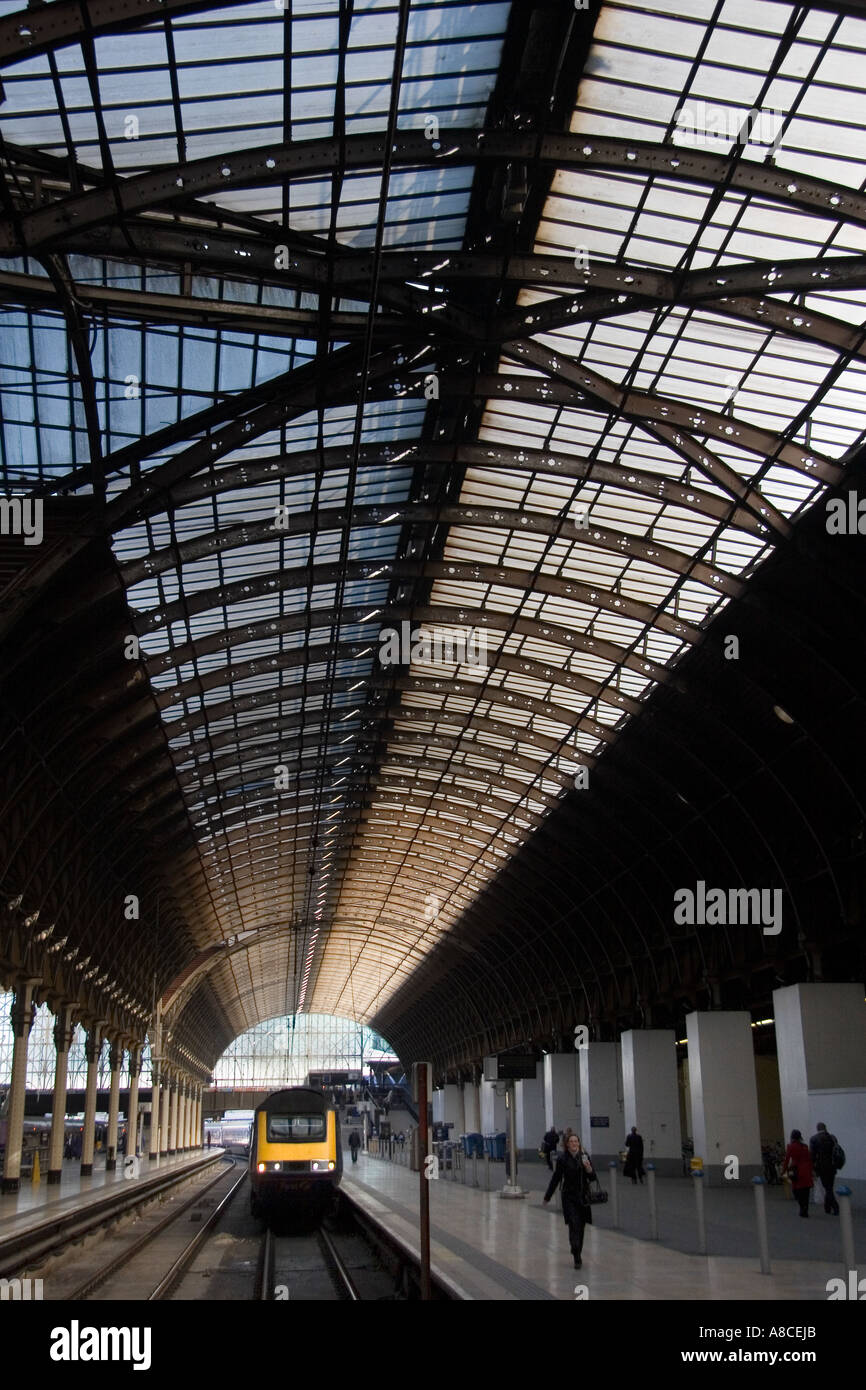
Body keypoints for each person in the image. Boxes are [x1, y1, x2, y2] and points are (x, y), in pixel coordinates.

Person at [543, 1133, 597, 1269]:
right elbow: (556, 1178)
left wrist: (588, 1168)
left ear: (579, 1144)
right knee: (574, 1223)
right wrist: (547, 1196)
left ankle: (577, 1249)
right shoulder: (563, 1159)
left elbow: (592, 1177)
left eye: (576, 1141)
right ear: (567, 1145)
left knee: (582, 1226)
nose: (574, 1144)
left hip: (583, 1196)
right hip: (569, 1196)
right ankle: (576, 1254)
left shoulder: (584, 1157)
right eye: (571, 1142)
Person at [809, 1122, 840, 1215]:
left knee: (827, 1187)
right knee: (829, 1186)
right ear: (825, 1128)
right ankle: (827, 1207)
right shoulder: (832, 1137)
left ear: (817, 1129)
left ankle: (835, 1207)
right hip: (832, 1165)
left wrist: (812, 1168)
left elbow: (812, 1155)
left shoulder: (814, 1139)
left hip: (821, 1166)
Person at [781, 1129, 814, 1218]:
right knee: (806, 1191)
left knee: (797, 1190)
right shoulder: (805, 1147)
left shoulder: (791, 1146)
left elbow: (787, 1159)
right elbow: (809, 1159)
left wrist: (783, 1171)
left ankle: (802, 1207)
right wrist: (811, 1170)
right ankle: (805, 1209)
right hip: (806, 1171)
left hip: (796, 1171)